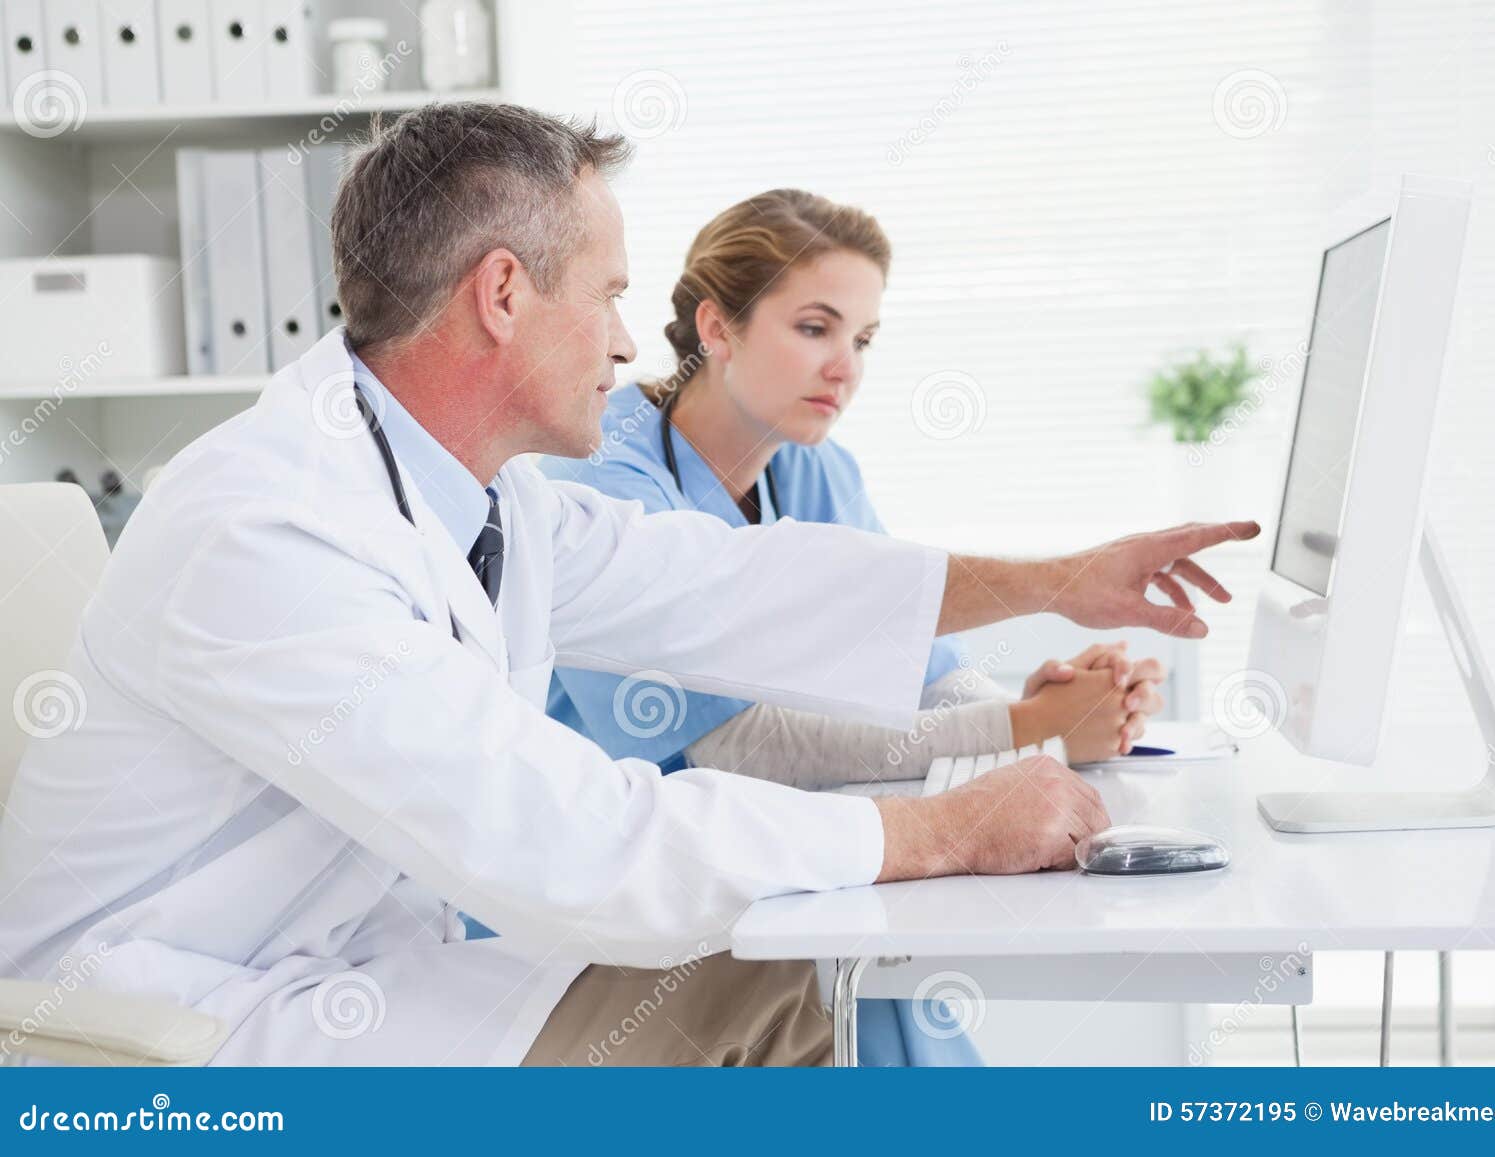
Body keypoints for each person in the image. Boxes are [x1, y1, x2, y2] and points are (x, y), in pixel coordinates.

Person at [0, 103, 1257, 1067]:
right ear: (503, 293)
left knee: (786, 968)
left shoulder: (488, 494)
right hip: (156, 1032)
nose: (619, 338)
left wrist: (1064, 579)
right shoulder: (264, 530)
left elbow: (725, 582)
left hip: (352, 968)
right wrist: (935, 831)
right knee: (773, 977)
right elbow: (573, 835)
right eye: (604, 292)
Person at [539, 190, 1166, 1064]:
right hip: (609, 898)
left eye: (863, 339)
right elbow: (732, 745)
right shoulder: (605, 474)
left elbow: (926, 664)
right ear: (715, 328)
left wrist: (1033, 705)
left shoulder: (818, 471)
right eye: (815, 329)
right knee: (860, 972)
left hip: (757, 861)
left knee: (880, 969)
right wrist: (1022, 732)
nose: (846, 367)